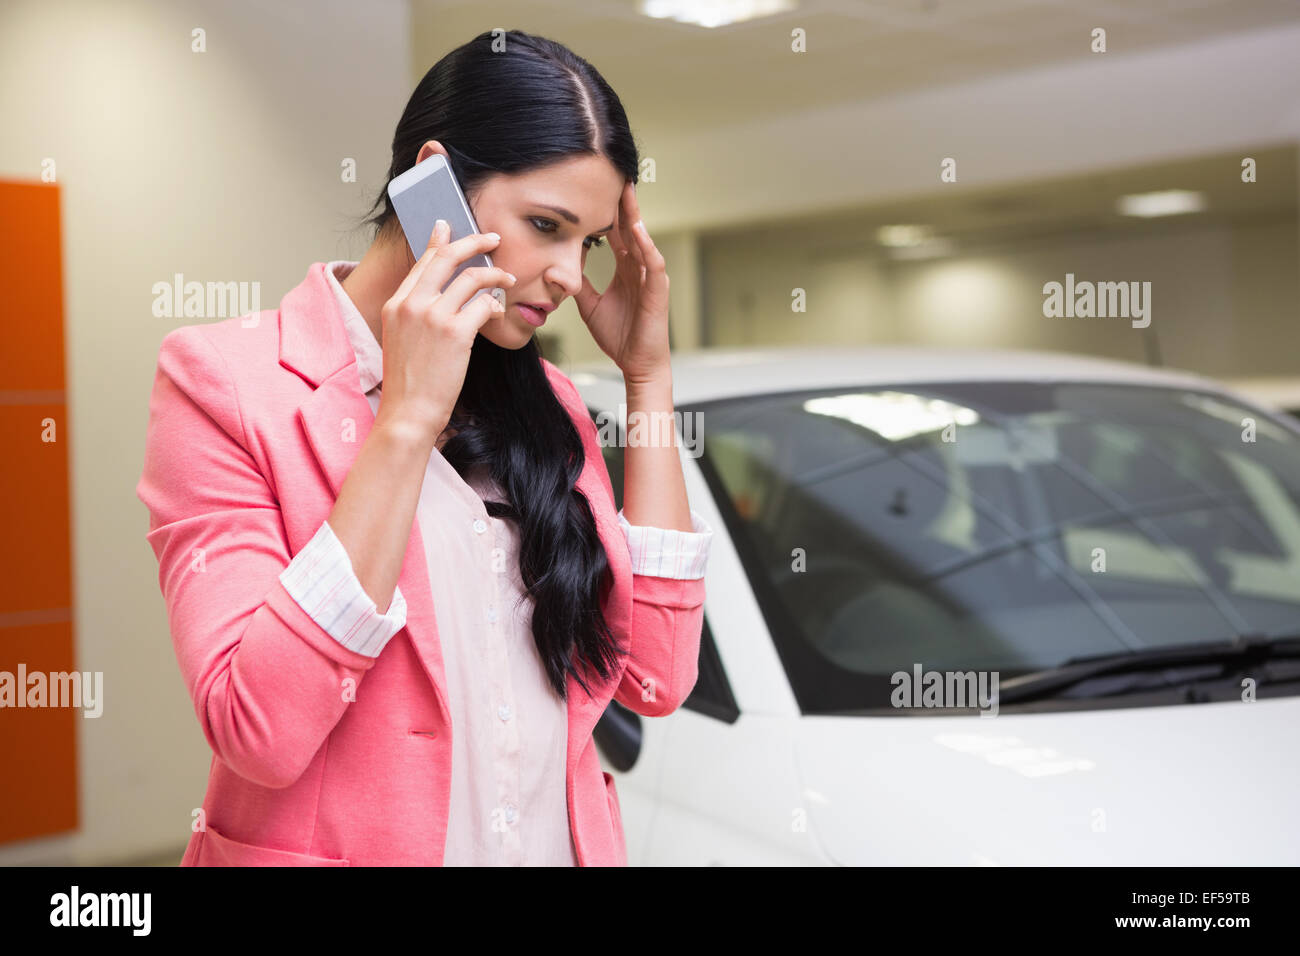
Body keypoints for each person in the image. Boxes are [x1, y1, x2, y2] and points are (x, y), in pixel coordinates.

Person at [136, 28, 712, 866]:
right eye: (544, 224)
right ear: (429, 181)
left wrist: (648, 378)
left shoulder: (545, 406)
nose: (564, 274)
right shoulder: (222, 380)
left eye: (584, 242)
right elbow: (255, 728)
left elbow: (657, 680)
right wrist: (405, 420)